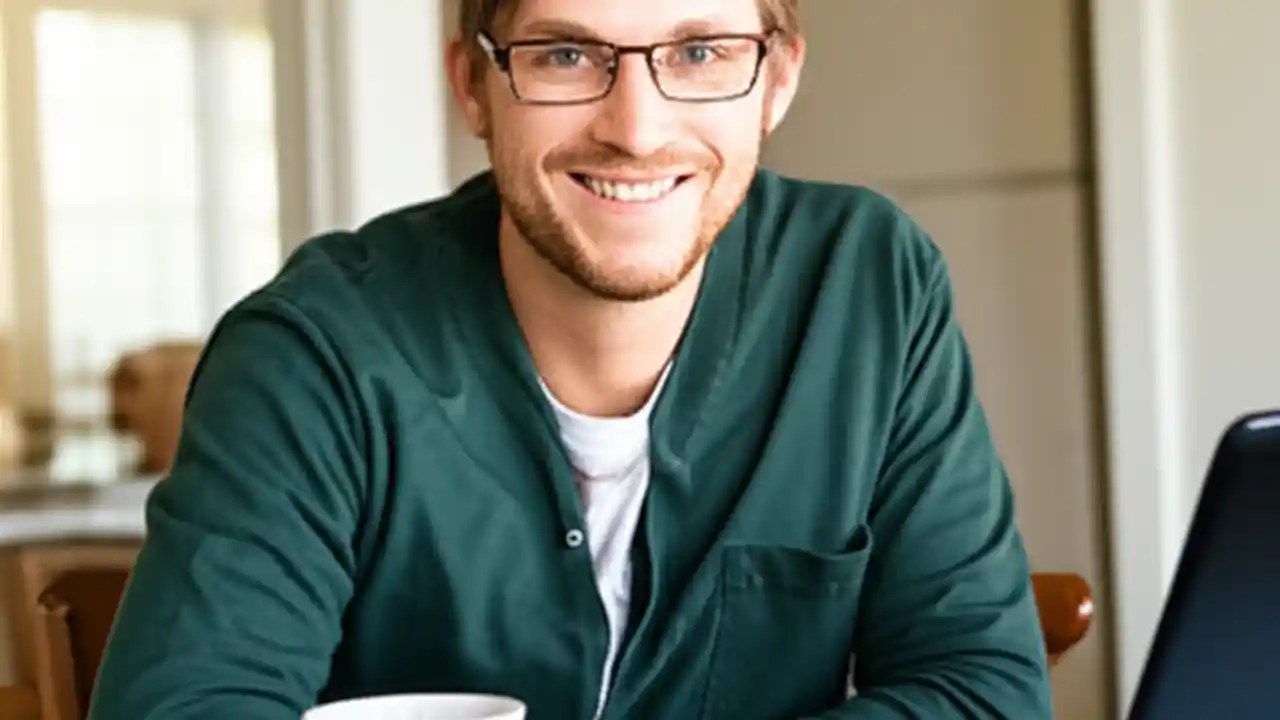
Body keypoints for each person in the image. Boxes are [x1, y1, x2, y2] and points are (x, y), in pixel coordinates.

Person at [90, 0, 1053, 717]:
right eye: (563, 54)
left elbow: (981, 688)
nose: (635, 129)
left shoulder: (867, 286)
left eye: (701, 52)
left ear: (778, 78)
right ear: (473, 85)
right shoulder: (316, 352)